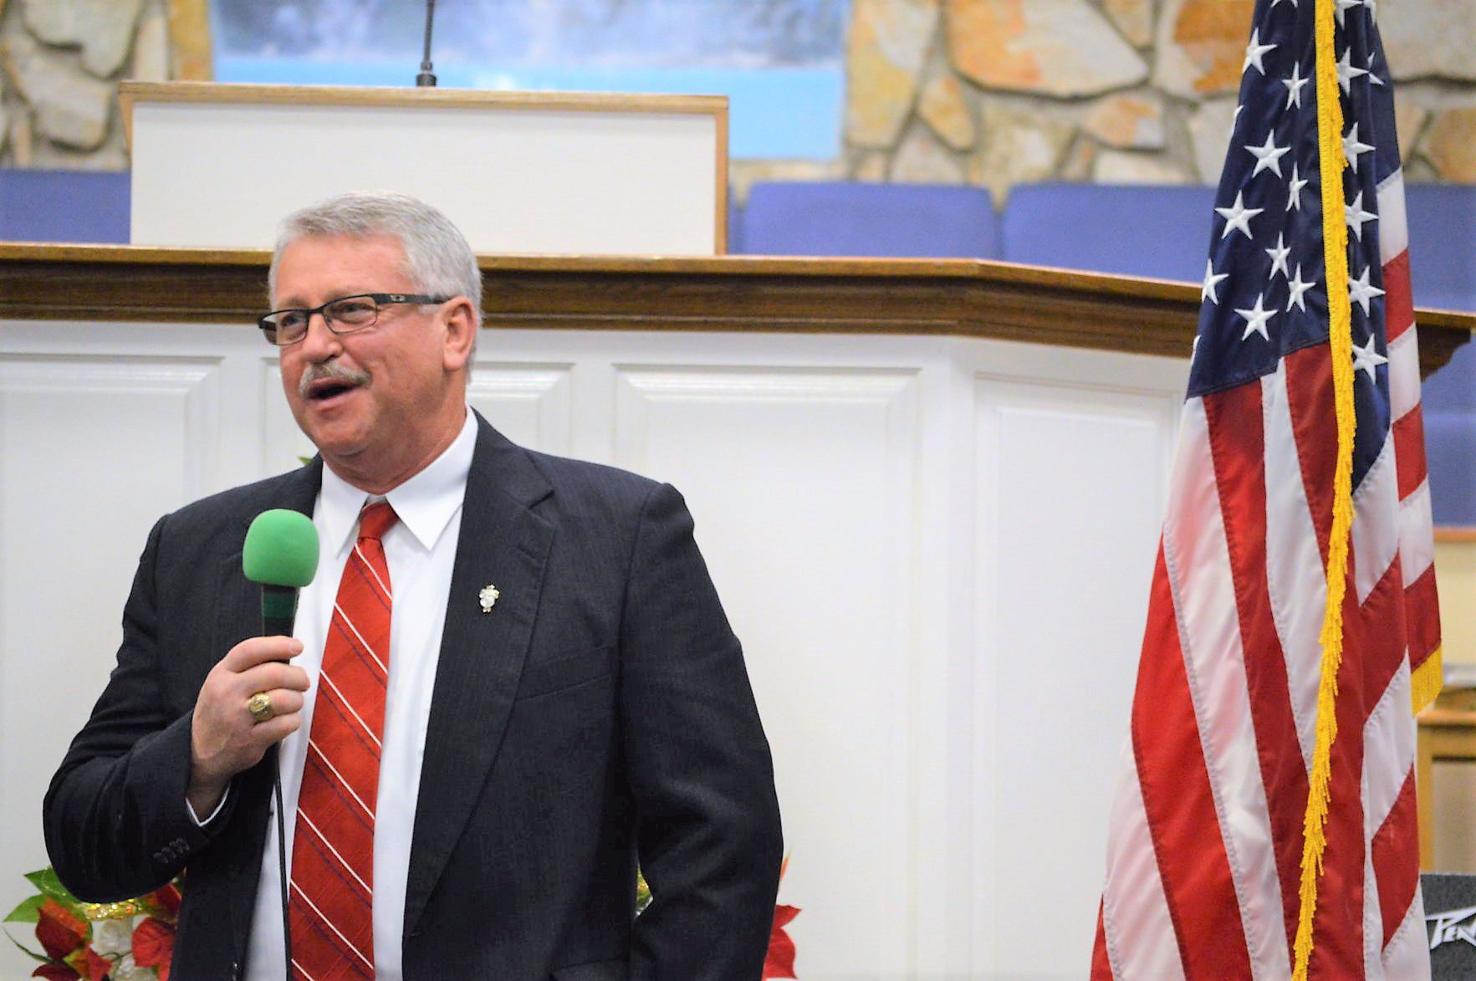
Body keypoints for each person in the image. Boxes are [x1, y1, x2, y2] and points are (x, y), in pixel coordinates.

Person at [43, 191, 783, 979]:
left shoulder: (617, 539)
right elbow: (84, 841)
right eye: (290, 321)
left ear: (454, 330)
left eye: (351, 310)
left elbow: (721, 842)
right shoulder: (199, 550)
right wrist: (198, 757)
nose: (314, 346)